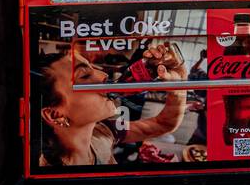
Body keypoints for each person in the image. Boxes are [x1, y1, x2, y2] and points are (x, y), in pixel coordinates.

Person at [35, 44, 187, 166]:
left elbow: (162, 124)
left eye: (94, 68)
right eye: (85, 75)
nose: (104, 75)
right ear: (56, 115)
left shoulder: (104, 132)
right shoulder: (49, 181)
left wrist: (178, 87)